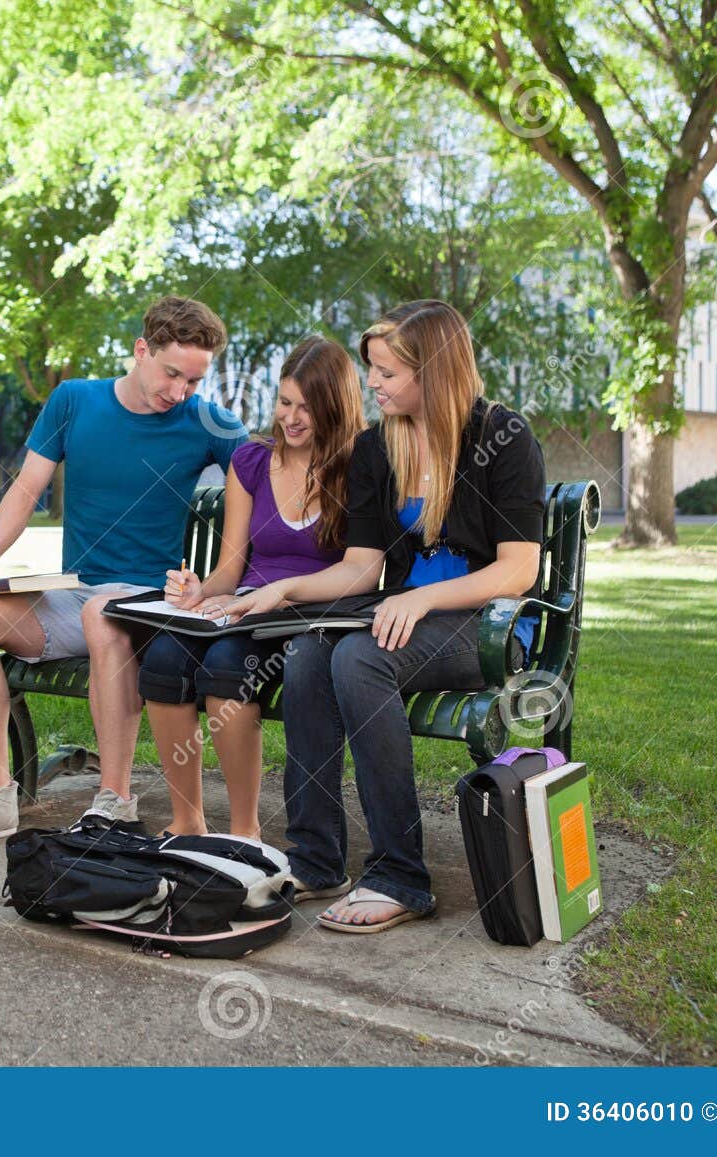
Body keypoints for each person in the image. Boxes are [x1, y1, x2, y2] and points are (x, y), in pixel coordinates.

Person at [220, 300, 546, 930]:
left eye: (388, 373)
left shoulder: (503, 437)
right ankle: (316, 857)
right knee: (312, 652)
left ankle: (400, 873)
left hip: (487, 623)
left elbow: (518, 570)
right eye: (372, 369)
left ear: (436, 372)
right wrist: (285, 589)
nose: (373, 383)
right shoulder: (378, 447)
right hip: (401, 612)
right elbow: (362, 568)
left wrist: (422, 596)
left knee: (361, 660)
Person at [0, 296, 246, 855]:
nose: (180, 392)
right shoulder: (74, 400)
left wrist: (229, 584)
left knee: (104, 615)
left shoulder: (207, 422)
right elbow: (27, 489)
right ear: (141, 350)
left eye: (194, 381)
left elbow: (268, 479)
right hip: (76, 591)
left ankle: (114, 800)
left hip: (148, 604)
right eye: (172, 374)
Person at [137, 336, 362, 843]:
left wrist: (278, 593)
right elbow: (231, 566)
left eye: (309, 407)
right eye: (285, 403)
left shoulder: (358, 467)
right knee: (164, 660)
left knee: (224, 669)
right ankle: (188, 821)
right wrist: (200, 593)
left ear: (337, 408)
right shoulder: (253, 462)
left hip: (308, 612)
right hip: (243, 606)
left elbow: (361, 569)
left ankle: (245, 832)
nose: (293, 418)